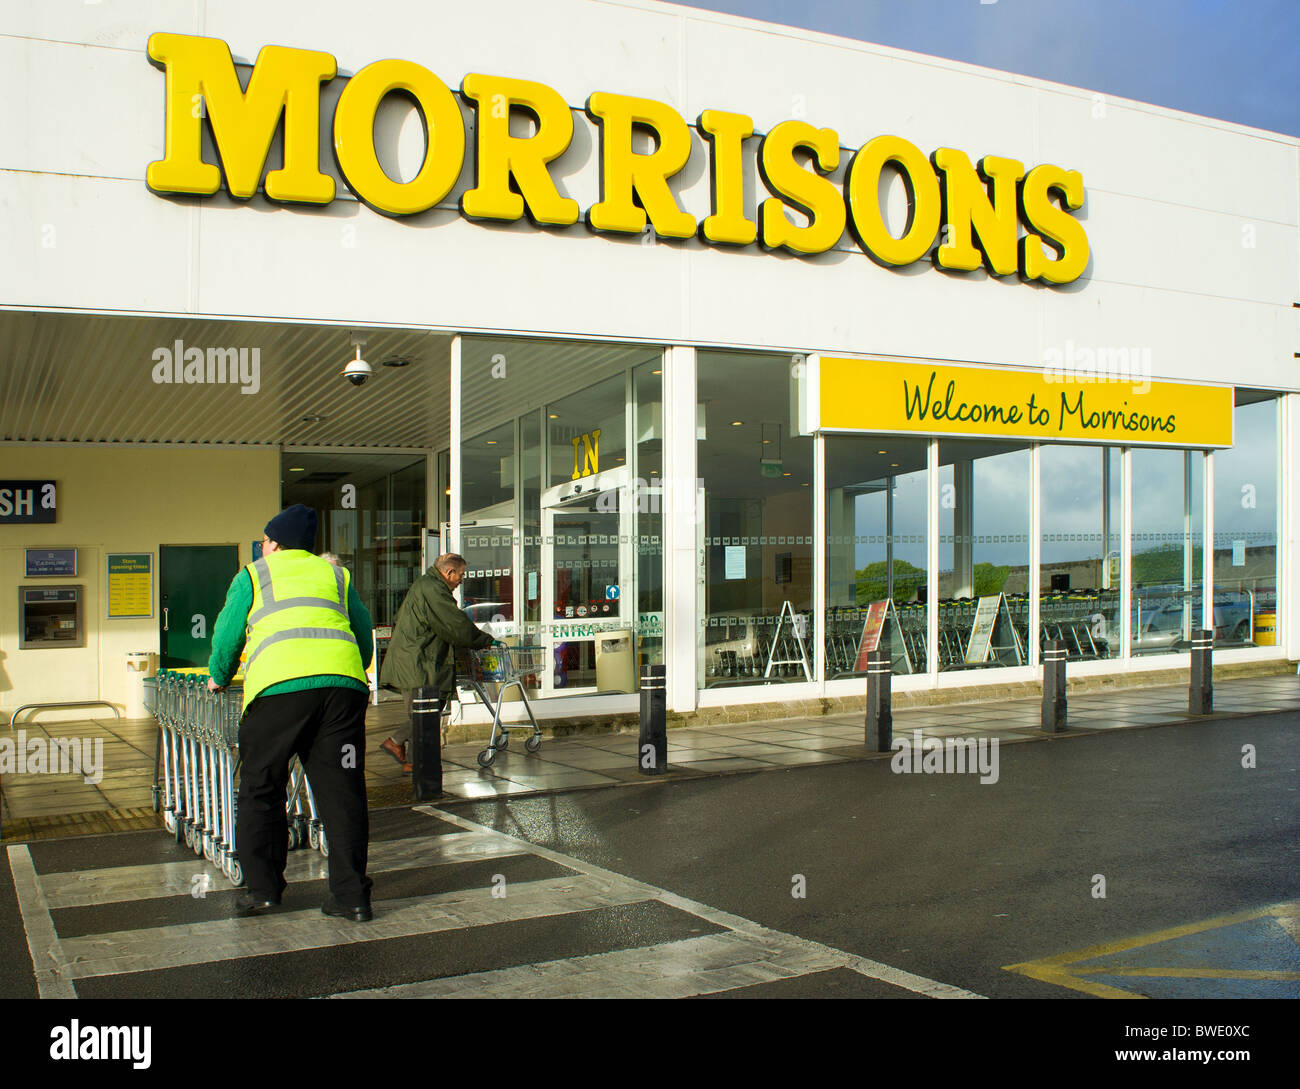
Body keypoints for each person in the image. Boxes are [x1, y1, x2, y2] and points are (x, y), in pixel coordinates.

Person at [207, 504, 376, 922]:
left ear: (275, 543)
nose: (262, 547)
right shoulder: (337, 575)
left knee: (262, 788)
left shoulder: (253, 574)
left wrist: (219, 676)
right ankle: (351, 897)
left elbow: (227, 634)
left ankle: (264, 891)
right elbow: (362, 632)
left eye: (264, 540)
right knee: (343, 792)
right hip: (342, 691)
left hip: (278, 693)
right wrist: (350, 671)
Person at [379, 553, 496, 768]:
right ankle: (409, 757)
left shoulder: (429, 585)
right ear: (449, 572)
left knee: (425, 712)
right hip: (417, 661)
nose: (461, 580)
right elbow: (453, 623)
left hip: (419, 659)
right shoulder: (433, 589)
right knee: (424, 713)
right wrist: (483, 640)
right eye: (460, 575)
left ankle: (406, 754)